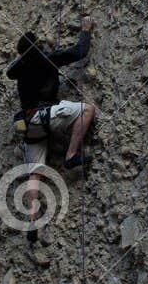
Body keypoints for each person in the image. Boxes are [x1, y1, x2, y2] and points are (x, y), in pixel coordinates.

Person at [6, 16, 97, 239]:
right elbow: (80, 51)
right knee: (87, 110)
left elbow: (12, 69)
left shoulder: (19, 69)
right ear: (37, 48)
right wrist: (85, 29)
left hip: (27, 126)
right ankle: (71, 155)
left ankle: (32, 220)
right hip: (44, 116)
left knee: (35, 173)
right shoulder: (48, 60)